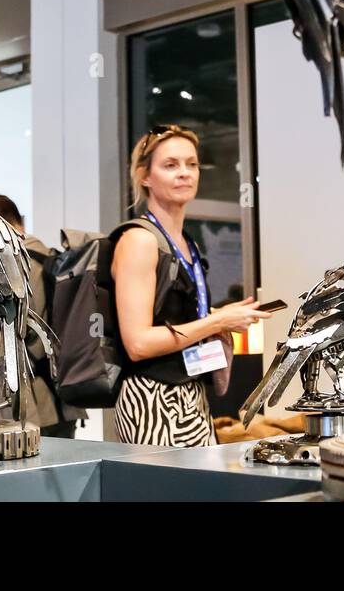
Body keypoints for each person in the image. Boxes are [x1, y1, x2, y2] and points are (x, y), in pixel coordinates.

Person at [111, 124, 271, 446]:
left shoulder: (185, 242)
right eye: (170, 165)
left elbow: (173, 320)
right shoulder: (139, 240)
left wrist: (215, 315)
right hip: (150, 396)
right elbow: (138, 343)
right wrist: (215, 321)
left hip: (191, 392)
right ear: (144, 176)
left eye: (192, 164)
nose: (184, 173)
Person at [0, 191, 88, 438]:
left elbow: (3, 335)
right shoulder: (57, 260)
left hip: (26, 404)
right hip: (66, 397)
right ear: (21, 223)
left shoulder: (6, 269)